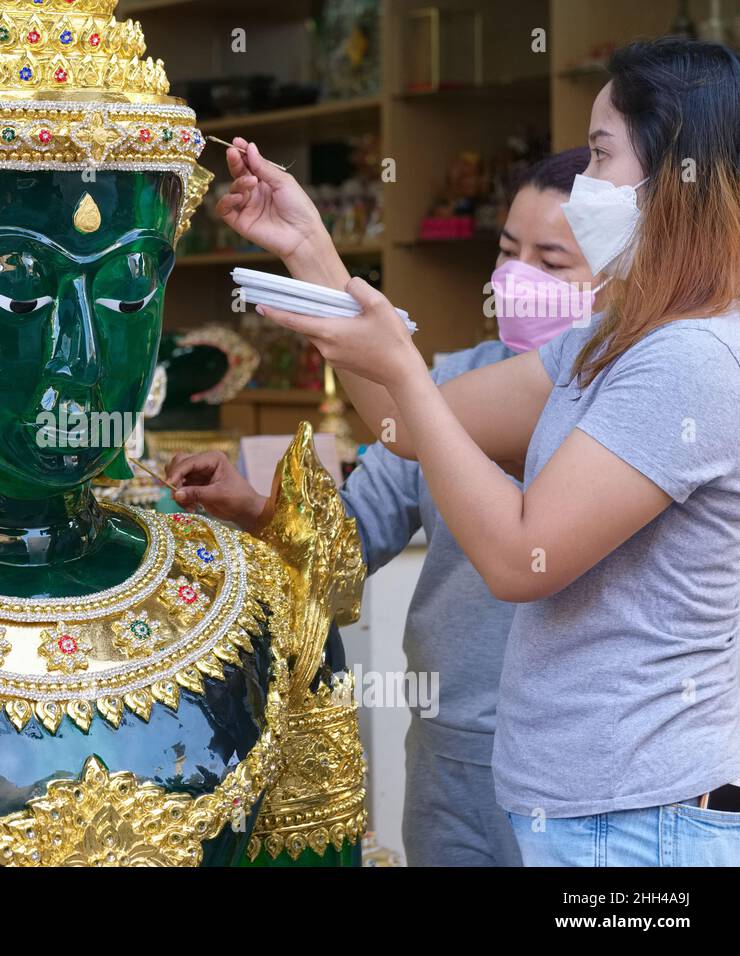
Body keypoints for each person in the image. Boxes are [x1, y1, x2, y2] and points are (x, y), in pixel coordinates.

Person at [190, 37, 740, 866]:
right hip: (573, 806)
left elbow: (525, 557)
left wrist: (405, 373)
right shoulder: (614, 339)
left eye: (600, 155)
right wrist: (312, 251)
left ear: (679, 177)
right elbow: (408, 429)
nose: (584, 184)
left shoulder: (689, 358)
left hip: (640, 820)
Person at [169, 147, 592, 866]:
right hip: (446, 750)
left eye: (552, 263)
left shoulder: (622, 404)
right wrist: (253, 509)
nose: (517, 278)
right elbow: (350, 541)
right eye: (507, 251)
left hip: (574, 762)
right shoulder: (454, 380)